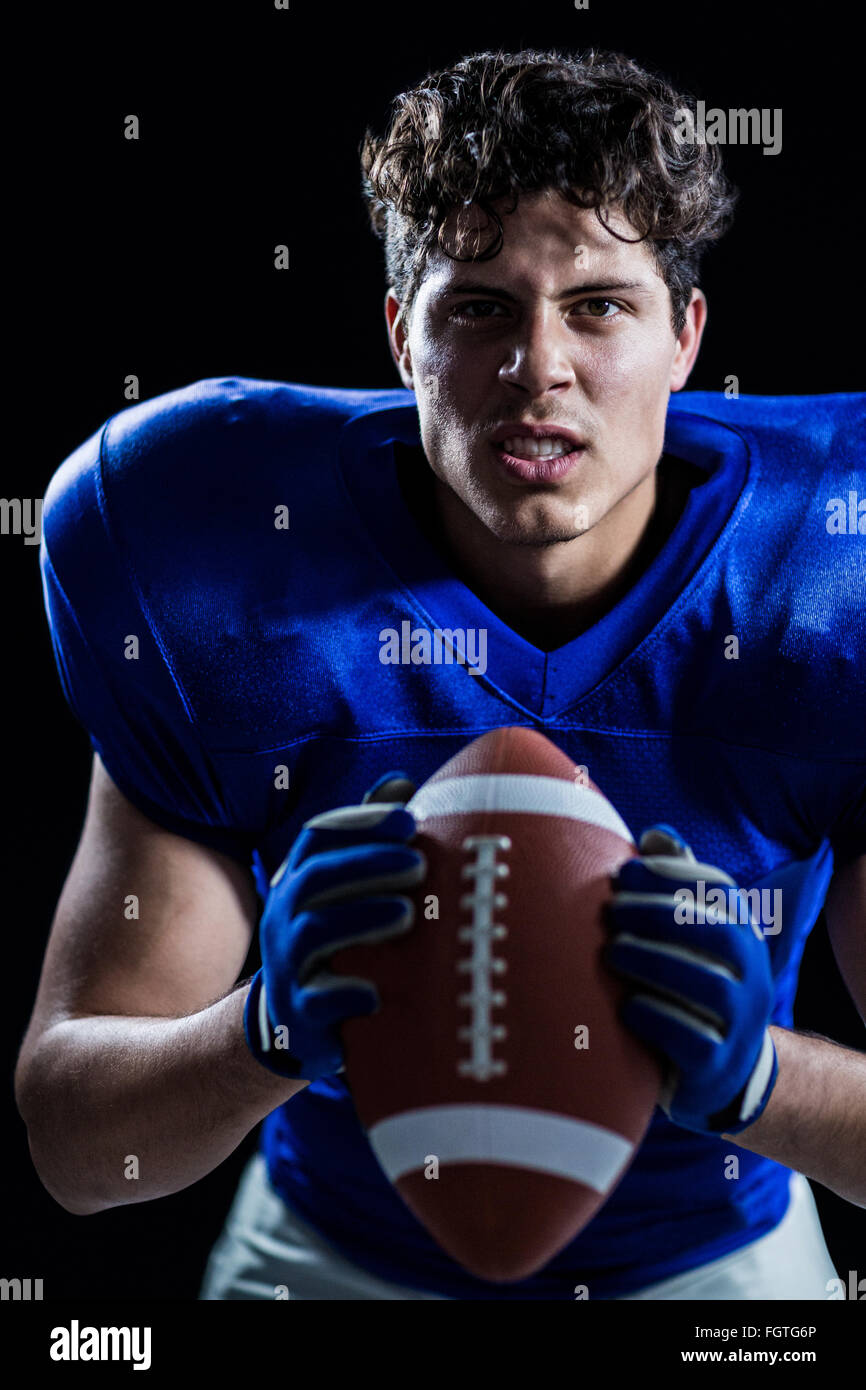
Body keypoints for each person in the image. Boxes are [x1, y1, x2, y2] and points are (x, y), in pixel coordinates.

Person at [16, 49, 865, 1301]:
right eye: (477, 305)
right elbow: (80, 1154)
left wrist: (756, 1080)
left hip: (710, 1258)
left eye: (597, 304)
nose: (539, 368)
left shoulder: (828, 572)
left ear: (685, 337)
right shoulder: (210, 552)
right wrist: (254, 1033)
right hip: (329, 1249)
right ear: (396, 335)